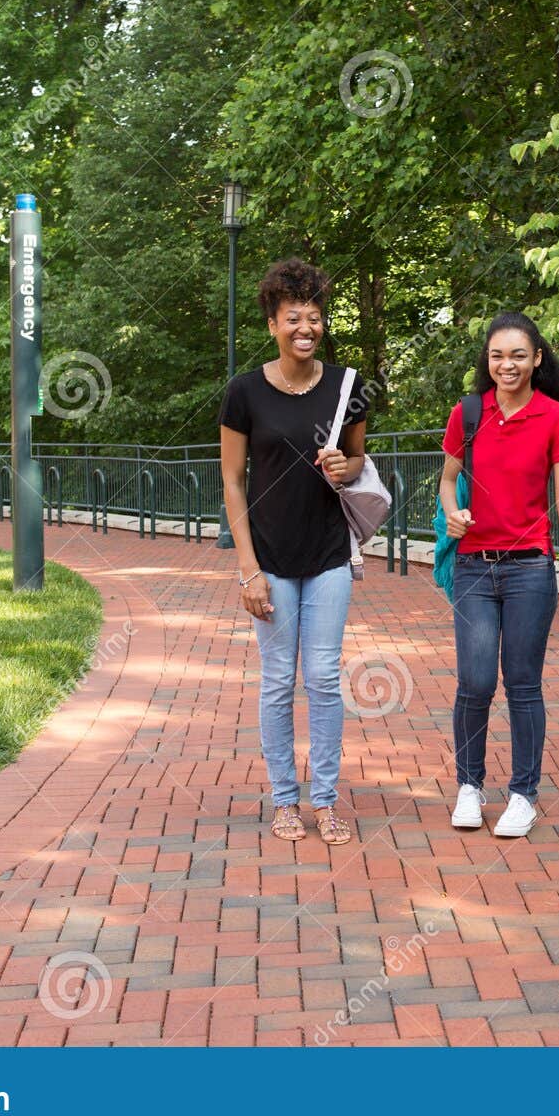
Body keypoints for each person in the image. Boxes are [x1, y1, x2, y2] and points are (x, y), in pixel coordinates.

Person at [219, 258, 366, 845]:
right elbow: (233, 479)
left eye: (314, 316)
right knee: (280, 680)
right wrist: (246, 568)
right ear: (274, 324)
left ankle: (325, 800)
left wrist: (343, 466)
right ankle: (285, 800)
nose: (306, 327)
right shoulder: (245, 392)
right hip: (271, 560)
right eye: (293, 317)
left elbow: (358, 461)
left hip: (330, 553)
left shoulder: (346, 387)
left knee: (325, 680)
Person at [438, 312, 559, 838]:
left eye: (519, 355)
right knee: (475, 682)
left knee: (523, 685)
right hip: (475, 567)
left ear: (537, 359)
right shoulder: (468, 413)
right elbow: (448, 479)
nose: (507, 365)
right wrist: (451, 512)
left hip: (530, 570)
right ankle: (470, 787)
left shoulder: (555, 418)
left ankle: (523, 795)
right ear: (488, 360)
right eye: (498, 355)